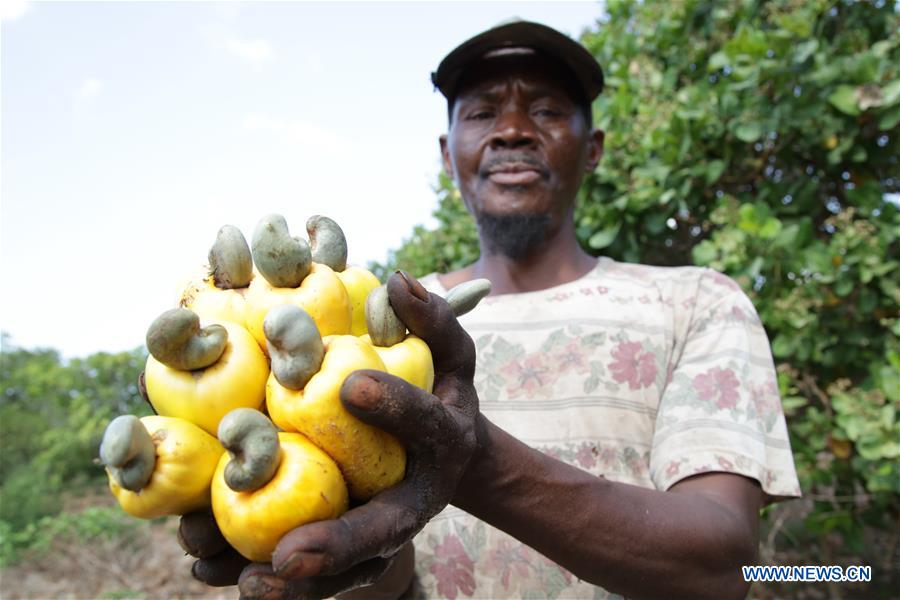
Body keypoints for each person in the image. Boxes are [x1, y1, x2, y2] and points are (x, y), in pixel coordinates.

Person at [178, 20, 801, 599]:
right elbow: (388, 565)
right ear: (449, 155)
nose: (511, 129)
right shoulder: (379, 319)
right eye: (482, 112)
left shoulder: (694, 302)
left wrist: (476, 465)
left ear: (593, 148)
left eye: (547, 110)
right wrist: (339, 550)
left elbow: (728, 565)